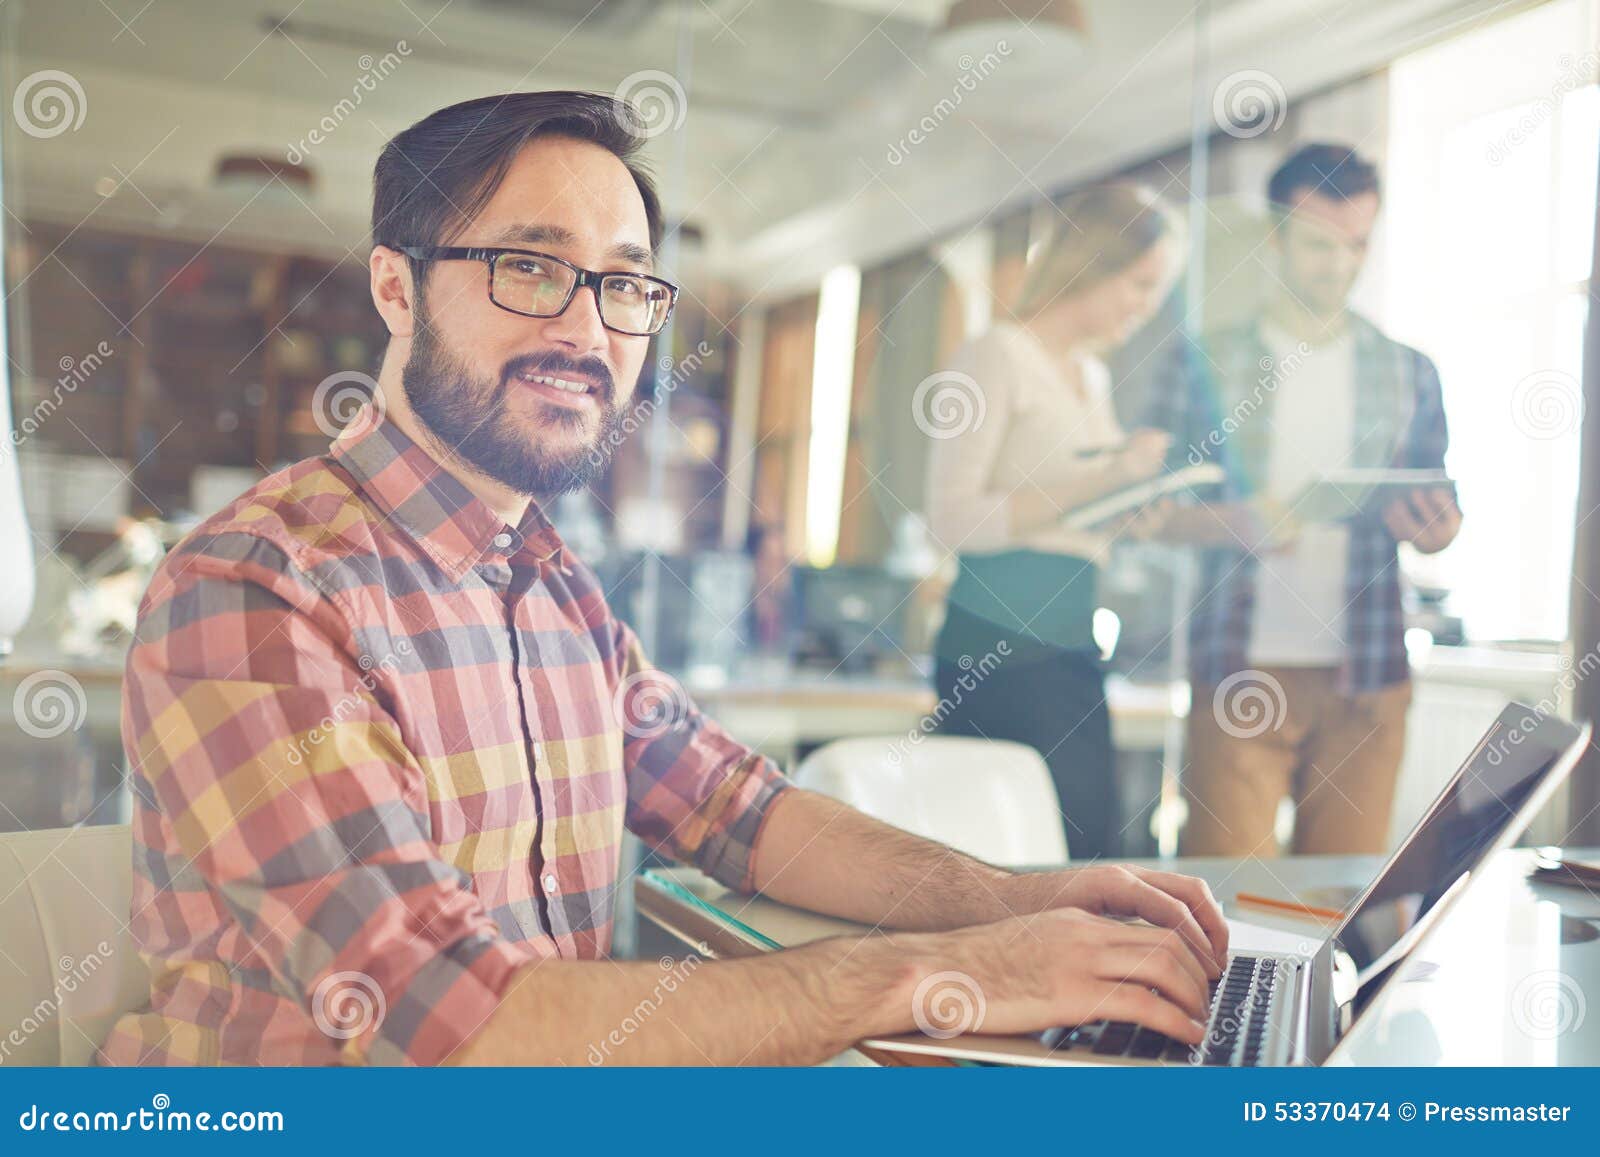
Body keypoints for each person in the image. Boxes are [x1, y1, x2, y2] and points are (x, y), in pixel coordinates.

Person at [99, 92, 1227, 1067]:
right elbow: (452, 1028)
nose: (587, 330)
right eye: (530, 267)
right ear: (396, 289)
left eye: (625, 286)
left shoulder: (553, 587)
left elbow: (744, 810)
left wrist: (1019, 899)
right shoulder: (255, 591)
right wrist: (942, 970)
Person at [1147, 143, 1462, 857]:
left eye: (1357, 244)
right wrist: (1236, 524)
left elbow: (1430, 499)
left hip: (1369, 674)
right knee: (1221, 905)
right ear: (1275, 238)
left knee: (1341, 903)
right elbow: (1147, 515)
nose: (1341, 264)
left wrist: (1437, 531)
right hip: (1238, 668)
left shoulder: (1409, 371)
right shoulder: (1204, 362)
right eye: (1319, 244)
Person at [925, 185, 1184, 859]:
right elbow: (950, 518)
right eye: (1139, 283)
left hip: (1070, 643)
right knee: (1014, 861)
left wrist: (1130, 507)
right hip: (996, 646)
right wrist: (1103, 479)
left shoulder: (1091, 377)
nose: (1146, 306)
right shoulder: (997, 355)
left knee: (1086, 849)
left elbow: (1074, 515)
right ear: (1094, 262)